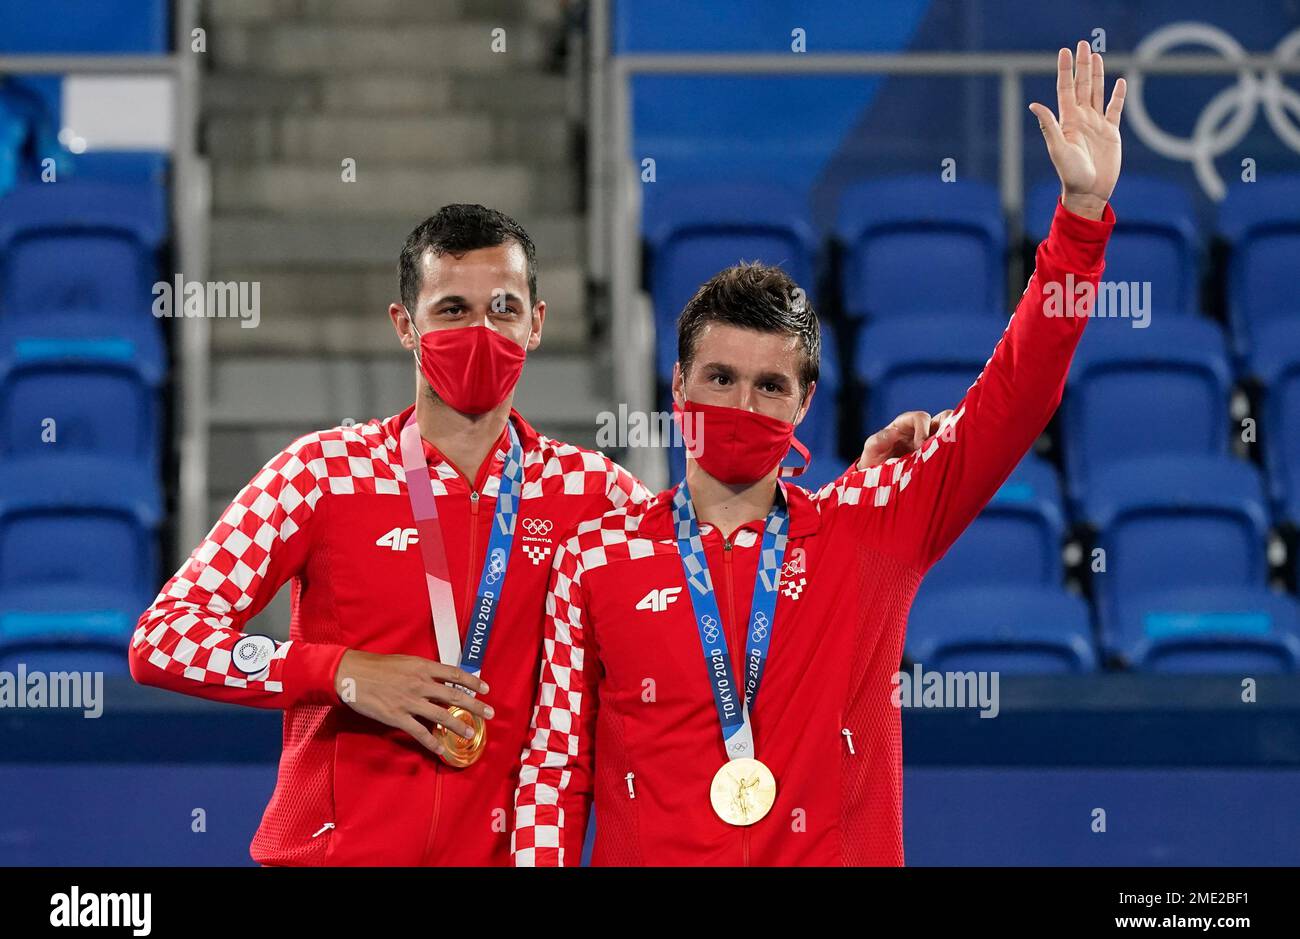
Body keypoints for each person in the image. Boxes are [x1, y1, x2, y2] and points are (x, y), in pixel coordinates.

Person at [129, 203, 939, 865]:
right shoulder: (321, 472)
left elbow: (719, 561)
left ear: (538, 323)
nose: (480, 330)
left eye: (503, 308)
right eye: (452, 309)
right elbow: (163, 640)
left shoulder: (594, 495)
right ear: (405, 326)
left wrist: (850, 495)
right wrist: (339, 672)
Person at [512, 42, 1124, 866]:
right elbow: (553, 774)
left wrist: (1080, 222)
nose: (740, 403)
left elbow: (1017, 399)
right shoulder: (594, 557)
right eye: (720, 378)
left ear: (806, 403)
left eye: (770, 386)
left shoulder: (871, 527)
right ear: (678, 388)